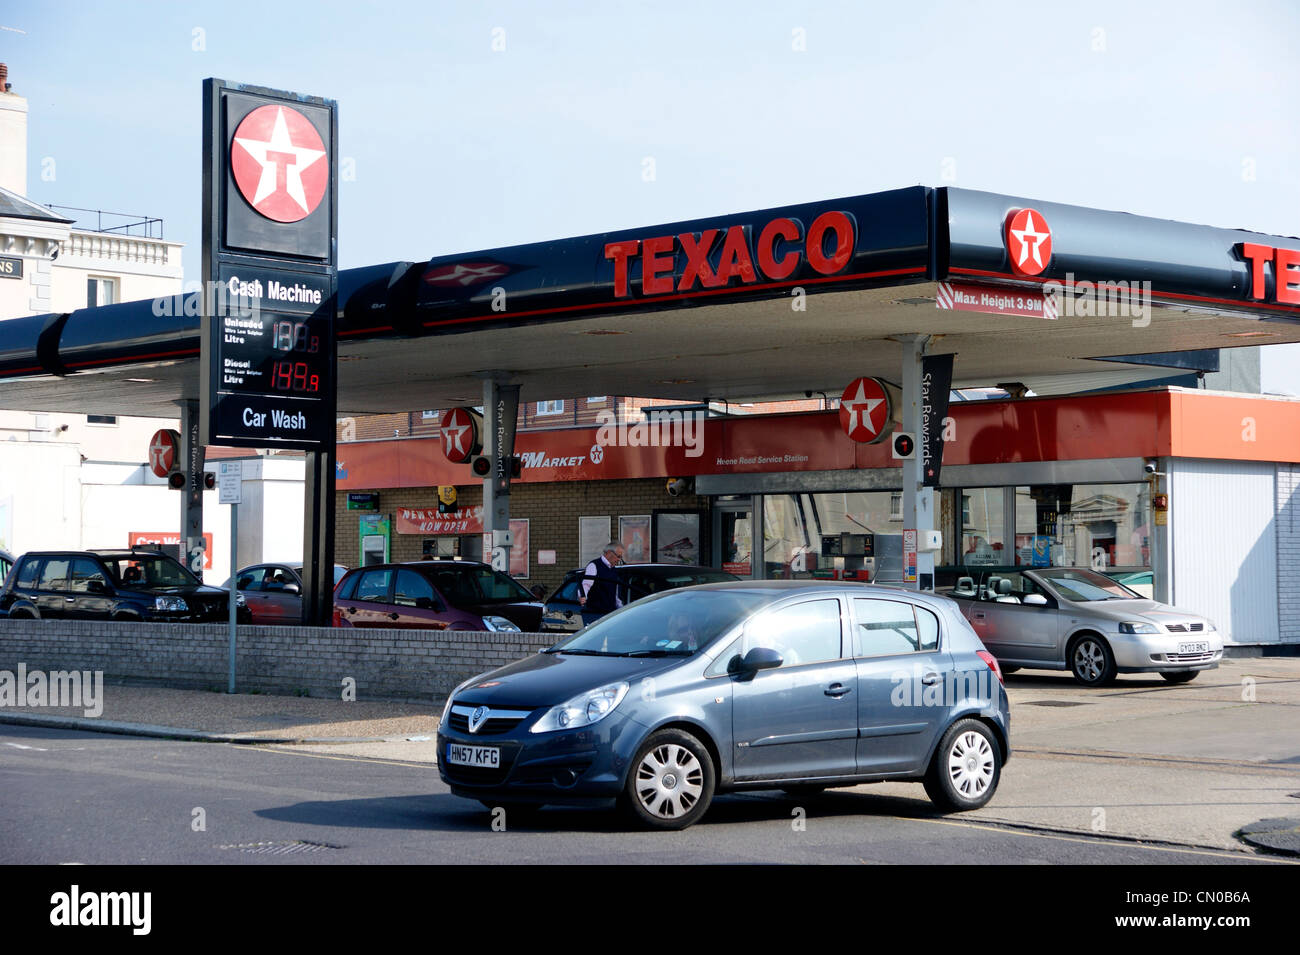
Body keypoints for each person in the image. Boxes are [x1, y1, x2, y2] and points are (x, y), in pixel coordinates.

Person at [579, 541, 625, 618]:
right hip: (595, 614)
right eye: (618, 556)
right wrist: (582, 596)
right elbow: (586, 584)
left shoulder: (613, 569)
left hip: (609, 615)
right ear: (610, 553)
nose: (619, 560)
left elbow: (614, 594)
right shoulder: (594, 565)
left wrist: (621, 608)